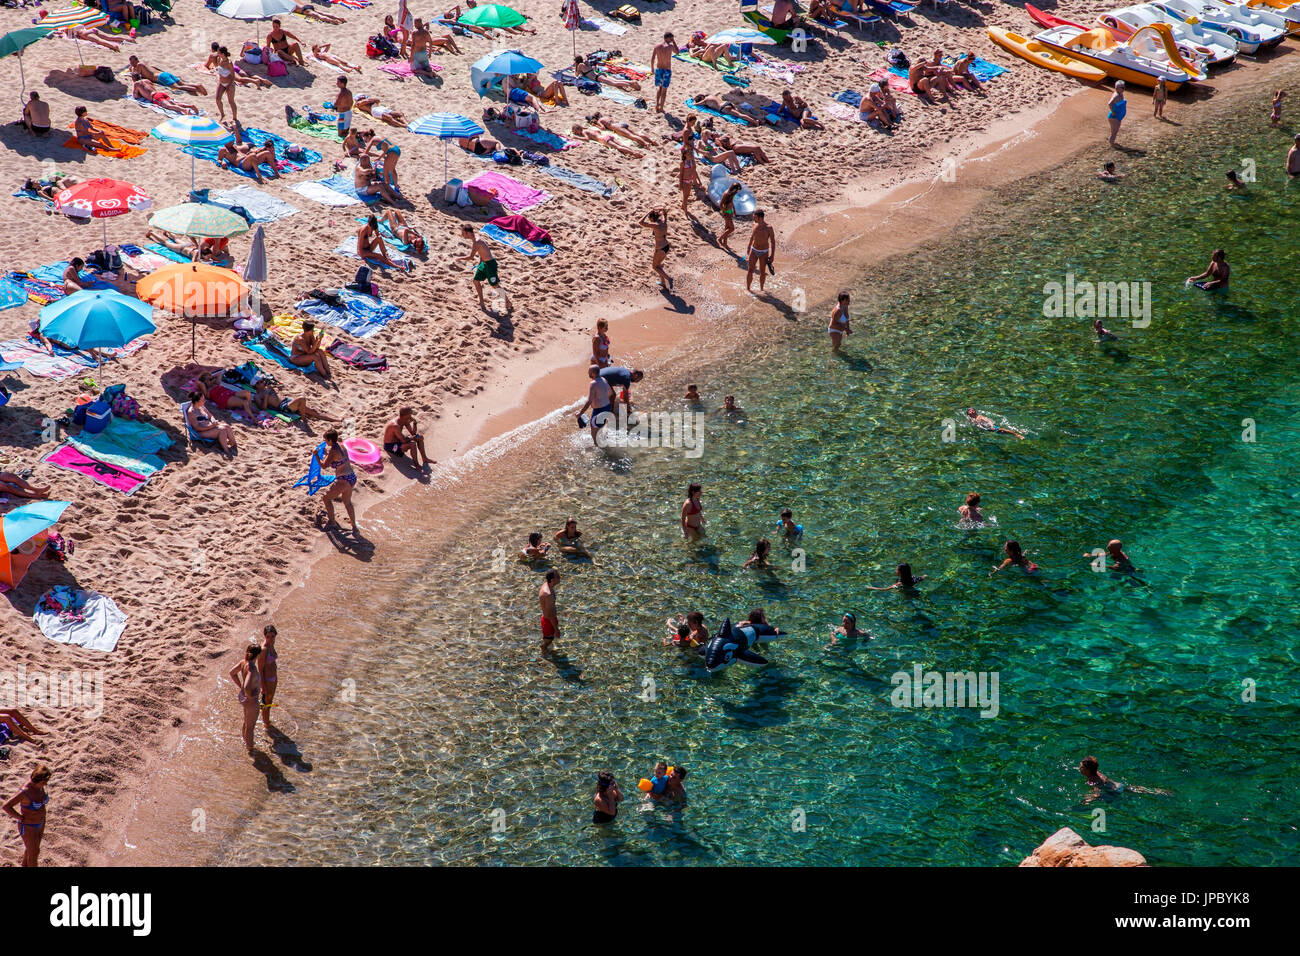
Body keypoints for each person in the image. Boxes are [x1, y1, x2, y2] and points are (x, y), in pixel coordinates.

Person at [4, 765, 52, 867]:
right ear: (38, 779)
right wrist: (20, 817)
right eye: (45, 781)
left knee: (32, 851)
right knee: (33, 856)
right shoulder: (25, 791)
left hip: (40, 823)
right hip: (29, 827)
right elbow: (6, 806)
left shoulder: (40, 787)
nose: (46, 783)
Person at [457, 224, 510, 311]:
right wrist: (481, 261)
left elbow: (471, 257)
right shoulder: (476, 238)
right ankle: (481, 302)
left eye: (463, 233)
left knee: (495, 285)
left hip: (490, 265)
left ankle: (508, 302)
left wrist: (460, 258)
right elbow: (484, 250)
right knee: (475, 281)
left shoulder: (476, 242)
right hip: (484, 264)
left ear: (468, 233)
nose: (462, 235)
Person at [314, 430, 359, 532]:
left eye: (325, 440)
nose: (324, 441)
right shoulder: (341, 445)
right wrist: (327, 454)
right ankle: (354, 525)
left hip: (343, 480)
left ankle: (332, 522)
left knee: (326, 499)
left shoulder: (333, 451)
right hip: (352, 477)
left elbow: (324, 466)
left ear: (330, 440)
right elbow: (335, 458)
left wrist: (316, 455)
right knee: (347, 502)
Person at [228, 644, 263, 754]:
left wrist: (240, 687)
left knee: (247, 722)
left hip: (243, 697)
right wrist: (251, 695)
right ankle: (250, 749)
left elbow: (232, 673)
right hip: (251, 700)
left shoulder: (243, 662)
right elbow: (248, 686)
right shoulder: (252, 669)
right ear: (258, 655)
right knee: (250, 727)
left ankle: (245, 742)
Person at [253, 380, 340, 422]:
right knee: (302, 399)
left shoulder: (268, 388)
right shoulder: (258, 395)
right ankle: (303, 418)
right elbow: (262, 408)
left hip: (288, 401)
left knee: (314, 412)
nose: (262, 382)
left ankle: (336, 420)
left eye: (262, 381)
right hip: (283, 406)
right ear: (256, 385)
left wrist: (274, 388)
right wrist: (266, 397)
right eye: (259, 382)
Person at [127, 56, 207, 95]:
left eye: (132, 63)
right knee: (183, 83)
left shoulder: (139, 65)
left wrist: (132, 69)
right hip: (164, 74)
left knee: (177, 87)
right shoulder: (144, 63)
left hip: (160, 77)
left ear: (136, 61)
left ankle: (197, 90)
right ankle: (198, 85)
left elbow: (136, 75)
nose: (132, 64)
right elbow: (155, 67)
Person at [577, 364, 614, 445]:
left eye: (589, 372)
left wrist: (580, 413)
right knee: (601, 426)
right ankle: (605, 441)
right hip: (607, 407)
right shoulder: (604, 380)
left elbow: (589, 401)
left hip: (598, 411)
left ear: (593, 373)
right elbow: (610, 393)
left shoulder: (593, 383)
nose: (588, 374)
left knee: (594, 430)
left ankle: (597, 446)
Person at [131, 73, 201, 114]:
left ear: (133, 79)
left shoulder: (136, 83)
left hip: (155, 97)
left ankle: (184, 110)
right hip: (160, 93)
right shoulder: (147, 80)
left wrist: (140, 93)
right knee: (173, 103)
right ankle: (189, 105)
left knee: (169, 106)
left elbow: (135, 96)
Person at [639, 208, 672, 289]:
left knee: (654, 266)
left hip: (660, 249)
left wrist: (648, 212)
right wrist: (660, 211)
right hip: (666, 247)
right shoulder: (664, 221)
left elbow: (640, 222)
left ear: (653, 218)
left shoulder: (656, 225)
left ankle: (669, 279)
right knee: (658, 265)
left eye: (650, 219)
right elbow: (665, 211)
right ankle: (662, 283)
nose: (649, 220)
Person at [745, 209, 776, 294]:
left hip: (764, 252)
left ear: (760, 218)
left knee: (762, 272)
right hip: (754, 250)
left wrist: (772, 255)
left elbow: (773, 242)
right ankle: (748, 289)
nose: (754, 219)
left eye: (755, 217)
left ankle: (761, 290)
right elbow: (752, 236)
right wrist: (748, 246)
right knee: (750, 270)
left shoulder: (769, 228)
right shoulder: (754, 225)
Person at [571, 124, 645, 157]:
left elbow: (586, 139)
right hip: (606, 136)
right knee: (621, 145)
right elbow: (598, 132)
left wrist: (577, 137)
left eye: (575, 131)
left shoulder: (584, 132)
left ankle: (634, 153)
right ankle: (633, 151)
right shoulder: (588, 129)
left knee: (618, 147)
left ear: (578, 129)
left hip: (603, 139)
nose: (576, 133)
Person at [686, 93, 758, 126]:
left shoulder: (705, 100)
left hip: (723, 108)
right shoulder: (711, 95)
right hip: (728, 103)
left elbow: (695, 104)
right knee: (741, 113)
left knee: (740, 115)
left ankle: (754, 121)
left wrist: (693, 102)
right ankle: (756, 119)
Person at [256, 625, 279, 731]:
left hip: (273, 678)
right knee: (266, 703)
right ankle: (266, 726)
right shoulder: (264, 649)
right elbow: (259, 669)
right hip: (267, 680)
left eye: (272, 636)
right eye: (268, 636)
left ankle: (267, 722)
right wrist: (262, 685)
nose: (270, 639)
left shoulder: (272, 645)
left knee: (269, 702)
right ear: (265, 636)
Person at [586, 112, 654, 146]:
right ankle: (652, 141)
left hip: (616, 127)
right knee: (636, 133)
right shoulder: (606, 117)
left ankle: (645, 144)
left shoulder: (600, 121)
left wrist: (596, 125)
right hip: (621, 123)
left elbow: (603, 128)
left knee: (632, 136)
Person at [576, 57, 641, 92]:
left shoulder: (580, 65)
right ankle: (630, 82)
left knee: (614, 83)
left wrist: (576, 66)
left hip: (597, 77)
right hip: (600, 74)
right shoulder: (586, 62)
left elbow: (577, 74)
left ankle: (630, 83)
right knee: (615, 80)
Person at [211, 46, 239, 123]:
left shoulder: (229, 63)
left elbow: (233, 76)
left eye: (219, 53)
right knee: (217, 99)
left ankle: (234, 118)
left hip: (229, 83)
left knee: (231, 101)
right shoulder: (219, 59)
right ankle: (222, 114)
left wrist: (229, 86)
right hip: (221, 82)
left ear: (223, 54)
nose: (217, 54)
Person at [652, 31, 675, 113]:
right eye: (671, 38)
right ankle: (661, 108)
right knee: (664, 90)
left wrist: (652, 68)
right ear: (668, 38)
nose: (672, 39)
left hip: (658, 69)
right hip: (666, 71)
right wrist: (674, 42)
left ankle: (657, 104)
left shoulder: (657, 46)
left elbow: (653, 58)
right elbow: (678, 52)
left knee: (660, 88)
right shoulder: (671, 46)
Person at [539, 569, 560, 655]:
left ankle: (547, 646)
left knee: (549, 637)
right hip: (548, 621)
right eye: (557, 577)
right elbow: (550, 615)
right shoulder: (548, 595)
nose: (560, 578)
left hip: (546, 618)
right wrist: (556, 629)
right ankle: (544, 648)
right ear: (552, 580)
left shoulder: (546, 585)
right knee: (549, 639)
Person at [716, 181, 741, 251]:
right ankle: (719, 239)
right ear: (735, 189)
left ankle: (725, 244)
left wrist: (734, 210)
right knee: (732, 228)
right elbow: (721, 204)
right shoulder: (726, 194)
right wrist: (724, 213)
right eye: (737, 190)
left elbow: (731, 202)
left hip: (730, 211)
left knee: (727, 228)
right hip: (726, 213)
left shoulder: (731, 193)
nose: (737, 192)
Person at [334, 76, 354, 141]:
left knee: (340, 134)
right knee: (346, 130)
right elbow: (352, 102)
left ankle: (349, 137)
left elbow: (335, 104)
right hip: (349, 113)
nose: (336, 84)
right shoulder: (349, 91)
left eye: (338, 82)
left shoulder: (341, 93)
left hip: (343, 114)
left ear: (342, 83)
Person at [1107, 81, 1126, 146]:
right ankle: (1111, 146)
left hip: (1118, 117)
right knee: (1114, 132)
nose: (1124, 89)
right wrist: (1113, 112)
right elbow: (1110, 103)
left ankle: (1112, 144)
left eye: (1124, 87)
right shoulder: (1116, 95)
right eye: (1122, 87)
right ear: (1117, 88)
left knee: (1115, 132)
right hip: (1114, 117)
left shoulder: (1120, 94)